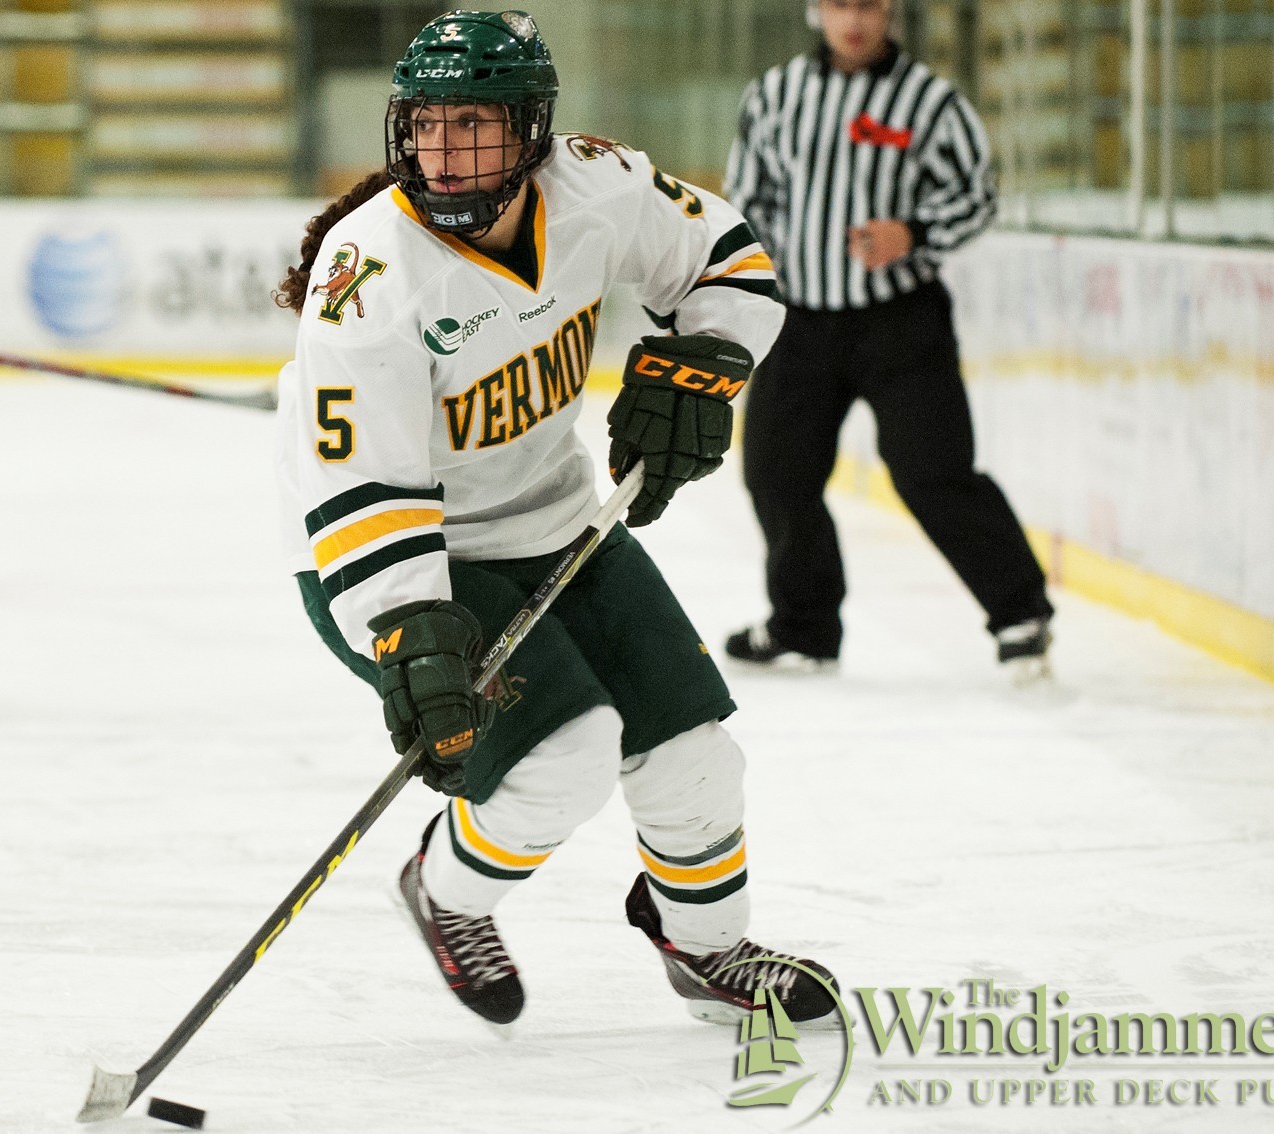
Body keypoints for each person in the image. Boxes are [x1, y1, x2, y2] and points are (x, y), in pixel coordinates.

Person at [273, 9, 837, 1029]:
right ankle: (444, 895)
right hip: (400, 557)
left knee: (694, 754)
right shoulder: (369, 277)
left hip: (560, 524)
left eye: (474, 126)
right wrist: (409, 624)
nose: (443, 156)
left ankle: (704, 945)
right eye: (425, 126)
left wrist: (703, 363)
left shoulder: (596, 186)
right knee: (561, 758)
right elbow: (360, 488)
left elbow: (727, 257)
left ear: (531, 131)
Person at [723, 0, 1055, 683]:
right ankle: (805, 627)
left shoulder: (930, 102)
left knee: (933, 471)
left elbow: (977, 194)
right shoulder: (775, 94)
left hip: (900, 321)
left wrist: (915, 230)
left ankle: (1021, 610)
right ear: (817, 9)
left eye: (870, 4)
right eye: (842, 4)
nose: (855, 20)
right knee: (776, 474)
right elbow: (747, 196)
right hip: (802, 320)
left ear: (892, 11)